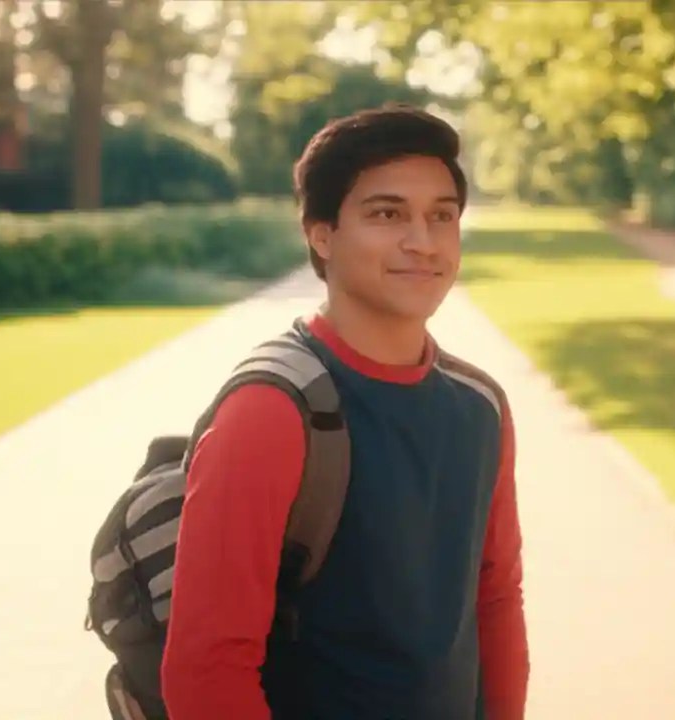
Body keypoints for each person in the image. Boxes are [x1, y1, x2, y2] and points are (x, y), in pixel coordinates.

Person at [160, 104, 529, 719]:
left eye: (441, 216)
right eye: (387, 214)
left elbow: (495, 599)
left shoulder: (480, 405)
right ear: (321, 233)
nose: (423, 242)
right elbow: (207, 668)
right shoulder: (270, 409)